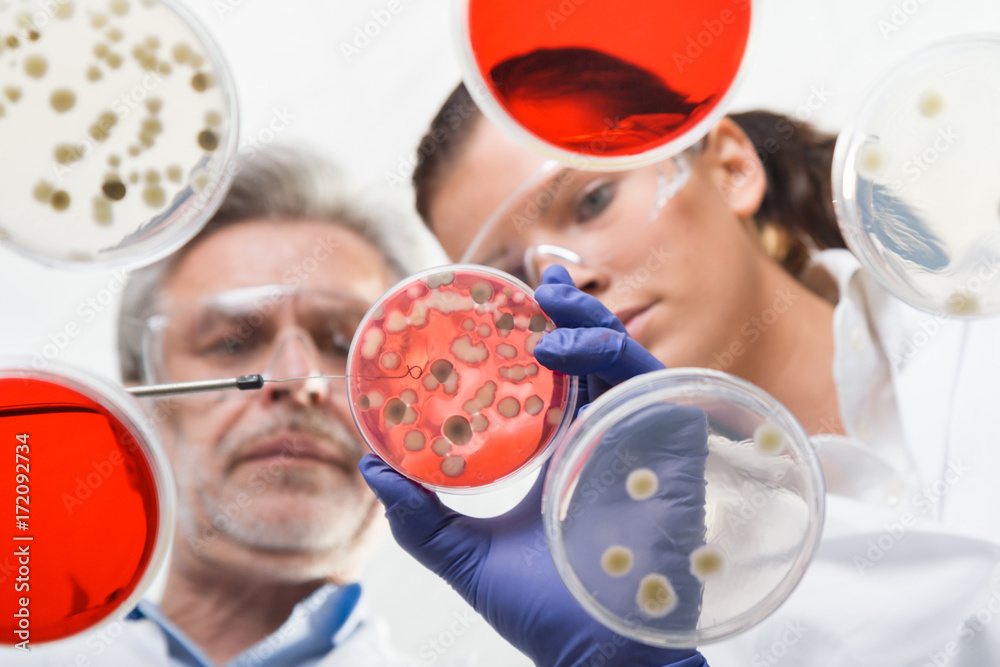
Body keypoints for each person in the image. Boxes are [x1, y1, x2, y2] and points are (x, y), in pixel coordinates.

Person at [367, 79, 1000, 667]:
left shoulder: (979, 311)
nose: (567, 275)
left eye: (592, 200)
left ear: (730, 167)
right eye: (514, 277)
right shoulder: (660, 601)